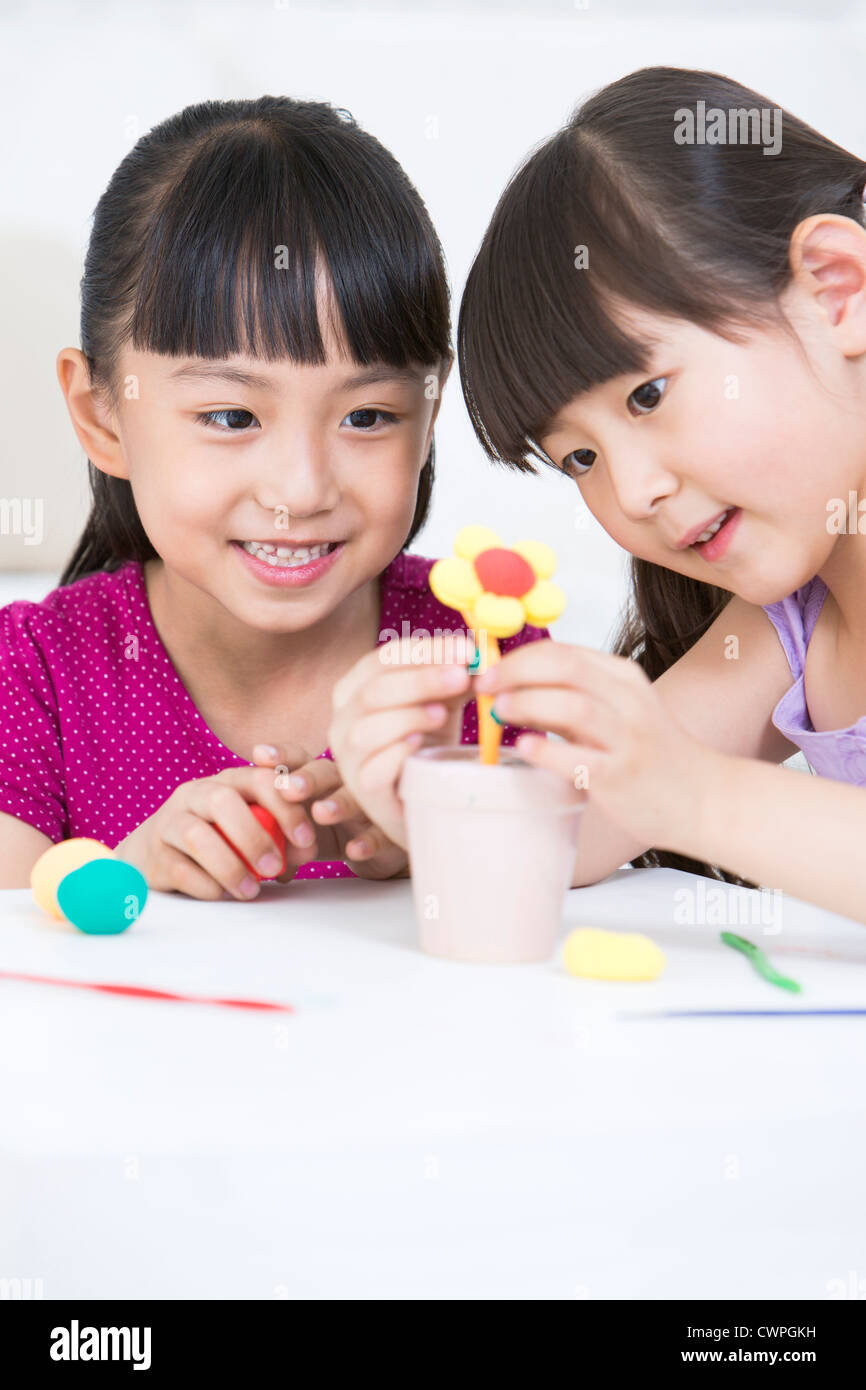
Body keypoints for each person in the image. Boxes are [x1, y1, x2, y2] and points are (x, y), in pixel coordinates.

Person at [328, 67, 866, 924]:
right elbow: (580, 825)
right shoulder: (794, 625)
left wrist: (695, 797)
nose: (634, 491)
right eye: (579, 459)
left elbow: (669, 792)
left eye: (648, 396)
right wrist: (428, 790)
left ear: (837, 287)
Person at [0, 96, 545, 898]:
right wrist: (125, 878)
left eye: (367, 416)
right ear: (100, 414)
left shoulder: (486, 661)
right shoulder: (32, 681)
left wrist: (447, 838)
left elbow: (568, 882)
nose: (301, 488)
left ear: (428, 414)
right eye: (230, 416)